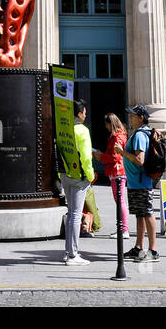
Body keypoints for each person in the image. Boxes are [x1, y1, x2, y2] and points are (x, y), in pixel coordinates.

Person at [121, 105, 162, 262]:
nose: (130, 118)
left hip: (141, 182)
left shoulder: (139, 135)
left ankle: (153, 251)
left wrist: (121, 152)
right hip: (137, 182)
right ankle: (138, 248)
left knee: (147, 213)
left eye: (133, 115)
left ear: (141, 118)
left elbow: (140, 160)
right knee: (140, 214)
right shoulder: (140, 133)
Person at [59, 99, 96, 265]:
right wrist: (90, 175)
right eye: (84, 113)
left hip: (65, 174)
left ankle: (68, 252)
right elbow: (87, 156)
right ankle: (73, 254)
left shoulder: (64, 129)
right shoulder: (82, 130)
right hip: (79, 176)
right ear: (79, 114)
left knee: (71, 213)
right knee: (75, 215)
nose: (85, 115)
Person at [93, 112, 129, 240]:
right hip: (117, 171)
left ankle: (123, 229)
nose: (106, 127)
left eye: (106, 124)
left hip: (117, 172)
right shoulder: (119, 135)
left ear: (110, 123)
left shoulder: (116, 137)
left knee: (120, 202)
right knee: (120, 201)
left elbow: (115, 157)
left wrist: (100, 156)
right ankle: (123, 228)